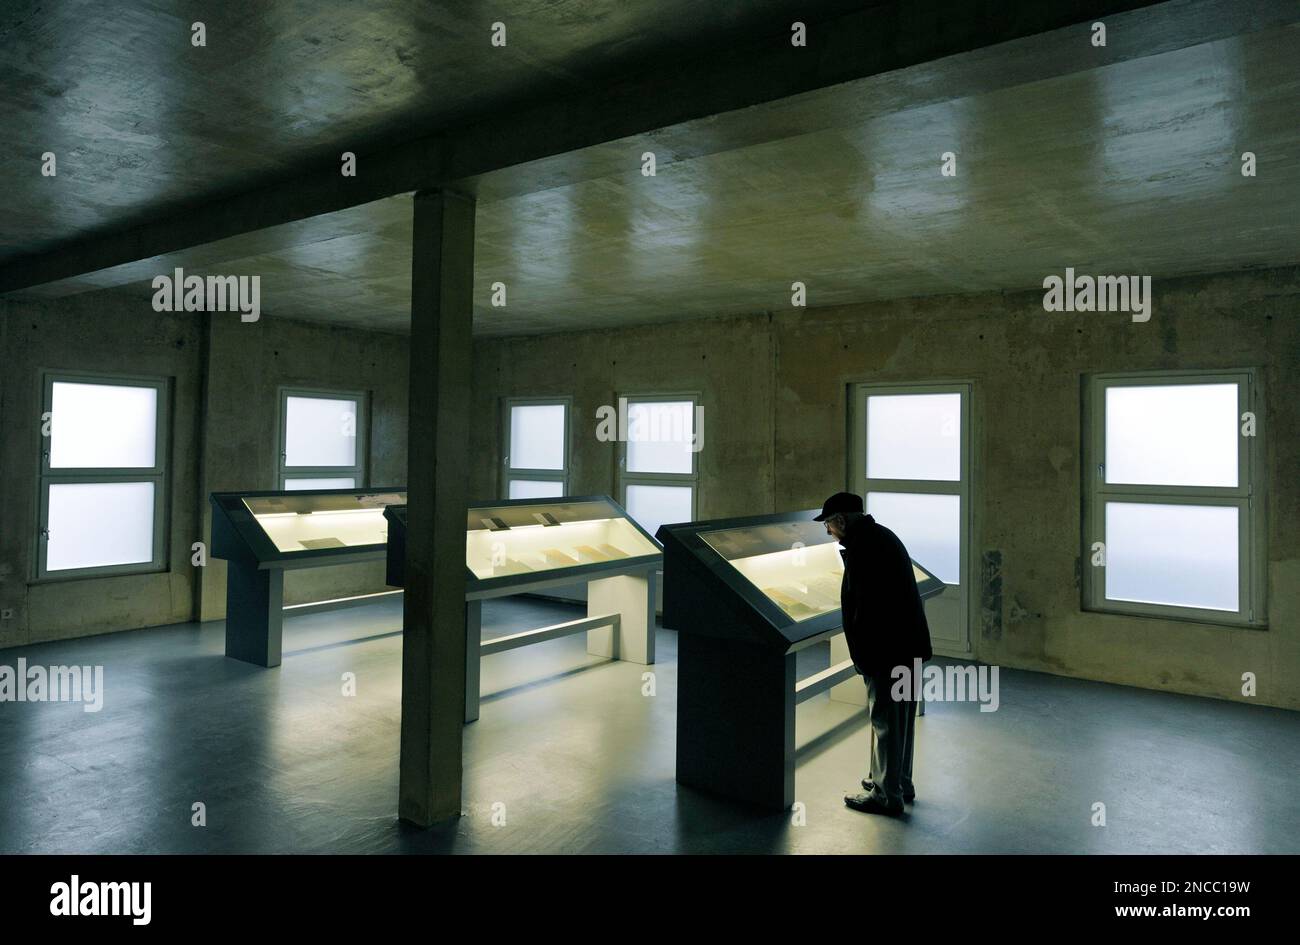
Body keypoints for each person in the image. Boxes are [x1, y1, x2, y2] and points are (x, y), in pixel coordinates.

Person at [815, 492, 932, 817]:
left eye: (828, 524)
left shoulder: (863, 549)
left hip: (887, 652)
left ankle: (885, 795)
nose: (828, 531)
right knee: (902, 720)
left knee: (884, 720)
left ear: (841, 520)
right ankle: (897, 782)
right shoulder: (882, 537)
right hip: (908, 647)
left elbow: (865, 611)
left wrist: (863, 657)